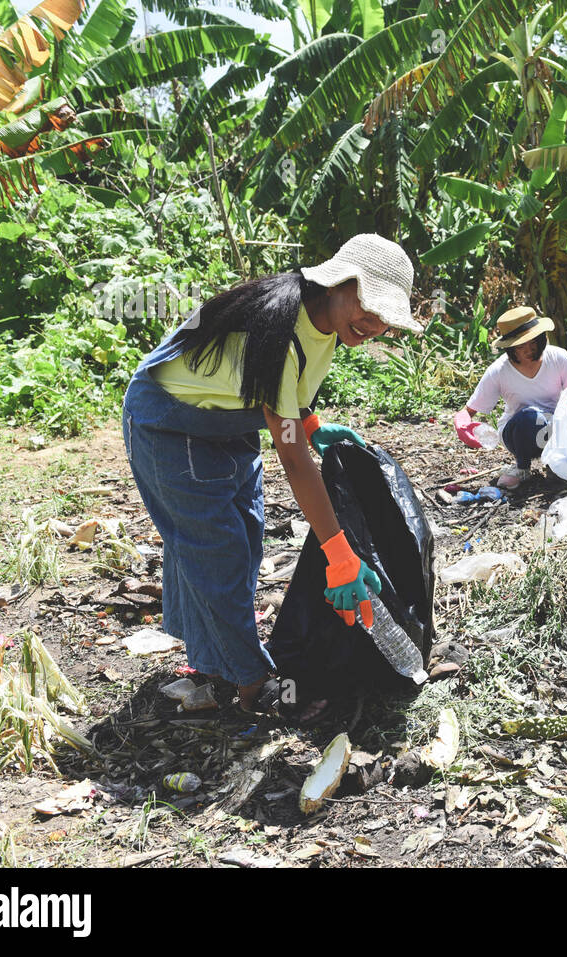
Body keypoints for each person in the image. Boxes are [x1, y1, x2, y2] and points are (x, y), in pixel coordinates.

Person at [122, 234, 423, 717]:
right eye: (367, 307)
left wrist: (310, 423)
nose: (373, 325)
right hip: (170, 424)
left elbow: (288, 399)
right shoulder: (278, 330)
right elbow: (296, 462)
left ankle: (213, 661)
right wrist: (338, 552)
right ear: (337, 285)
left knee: (243, 537)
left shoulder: (321, 321)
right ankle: (253, 685)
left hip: (225, 420)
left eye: (384, 319)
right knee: (216, 550)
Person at [453, 306, 567, 489]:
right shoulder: (499, 371)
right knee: (530, 417)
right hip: (517, 432)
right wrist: (462, 425)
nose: (529, 350)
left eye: (533, 342)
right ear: (510, 348)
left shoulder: (559, 358)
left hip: (555, 430)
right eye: (521, 345)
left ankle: (556, 463)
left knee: (560, 423)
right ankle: (522, 467)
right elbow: (468, 411)